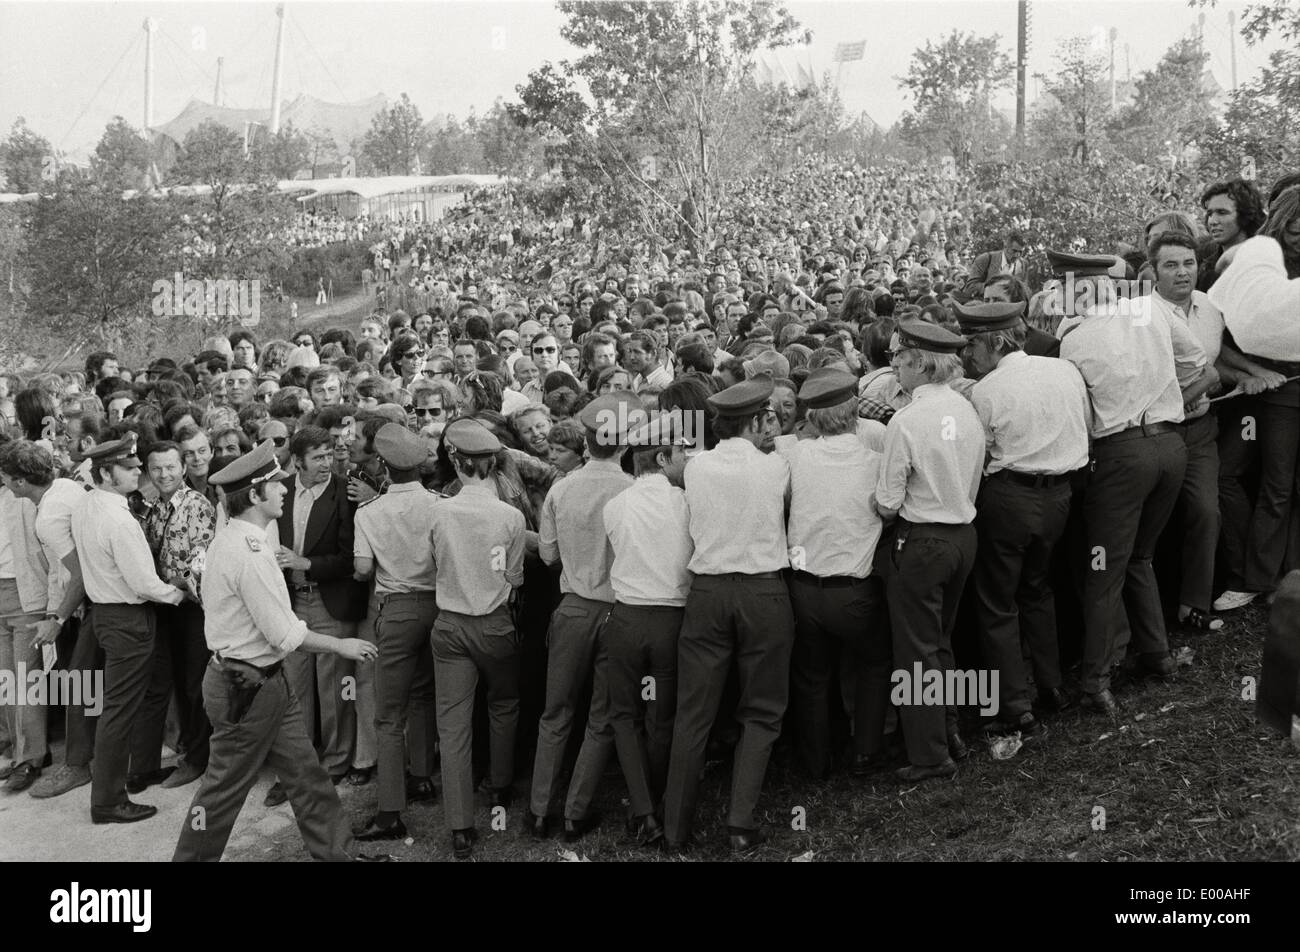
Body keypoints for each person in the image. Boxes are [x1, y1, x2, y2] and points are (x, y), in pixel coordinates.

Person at [171, 440, 382, 862]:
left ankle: (337, 854)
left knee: (307, 777)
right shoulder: (249, 553)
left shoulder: (239, 539)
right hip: (246, 684)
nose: (285, 490)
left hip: (261, 681)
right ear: (253, 496)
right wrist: (342, 644)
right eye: (275, 485)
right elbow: (284, 635)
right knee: (222, 791)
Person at [1056, 250, 1210, 715]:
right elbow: (1201, 364)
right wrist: (1176, 403)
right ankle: (1157, 654)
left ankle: (1095, 681)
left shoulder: (1074, 339)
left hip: (1122, 455)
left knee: (1103, 572)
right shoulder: (1151, 312)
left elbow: (1080, 417)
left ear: (1073, 290)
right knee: (1140, 556)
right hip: (1170, 448)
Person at [662, 374, 795, 853]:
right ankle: (740, 822)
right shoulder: (776, 467)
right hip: (763, 592)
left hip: (709, 592)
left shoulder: (695, 468)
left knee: (693, 712)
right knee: (761, 710)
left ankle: (675, 827)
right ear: (757, 421)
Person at [955, 302, 1090, 732]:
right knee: (1036, 588)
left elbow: (978, 455)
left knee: (997, 601)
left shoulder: (986, 391)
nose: (967, 356)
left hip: (1009, 497)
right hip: (1061, 495)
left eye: (972, 344)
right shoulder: (1063, 369)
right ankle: (1050, 686)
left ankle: (1015, 705)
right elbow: (1084, 424)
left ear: (995, 341)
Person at [527, 392, 639, 840]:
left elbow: (549, 555)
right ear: (626, 442)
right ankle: (575, 811)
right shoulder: (631, 490)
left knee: (555, 712)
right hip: (617, 609)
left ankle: (539, 810)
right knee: (603, 713)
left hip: (572, 607)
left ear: (588, 441)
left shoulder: (561, 488)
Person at [875, 322, 984, 781]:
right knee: (940, 641)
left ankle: (929, 754)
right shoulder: (965, 408)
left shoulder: (906, 420)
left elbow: (886, 503)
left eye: (900, 361)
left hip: (923, 540)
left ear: (920, 362)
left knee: (917, 651)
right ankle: (949, 730)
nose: (895, 368)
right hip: (963, 534)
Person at [778, 368, 891, 779]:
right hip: (856, 588)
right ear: (853, 412)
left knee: (811, 676)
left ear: (813, 417)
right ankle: (867, 751)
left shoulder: (793, 456)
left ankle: (816, 760)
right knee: (874, 665)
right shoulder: (876, 461)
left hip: (804, 587)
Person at [71, 435, 187, 823]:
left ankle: (143, 768)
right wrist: (181, 593)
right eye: (129, 466)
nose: (140, 470)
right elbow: (144, 583)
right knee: (119, 712)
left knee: (150, 692)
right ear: (106, 473)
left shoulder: (89, 503)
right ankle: (107, 801)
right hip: (127, 618)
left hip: (108, 615)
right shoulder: (117, 517)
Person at [428, 420, 526, 860]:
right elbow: (516, 577)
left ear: (457, 462)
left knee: (453, 726)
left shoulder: (438, 510)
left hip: (449, 623)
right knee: (503, 705)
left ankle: (460, 825)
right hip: (494, 623)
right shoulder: (510, 516)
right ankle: (500, 788)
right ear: (491, 464)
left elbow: (431, 561)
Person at [602, 411, 694, 845]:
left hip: (626, 620)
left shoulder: (616, 504)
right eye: (678, 453)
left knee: (624, 715)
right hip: (670, 620)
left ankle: (643, 808)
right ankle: (656, 801)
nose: (684, 461)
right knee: (661, 714)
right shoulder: (685, 501)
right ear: (661, 456)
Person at [265, 426, 368, 805]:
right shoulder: (280, 491)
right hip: (289, 603)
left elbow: (349, 557)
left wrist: (304, 562)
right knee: (294, 692)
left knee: (337, 689)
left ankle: (336, 763)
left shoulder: (346, 493)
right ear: (297, 462)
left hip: (330, 603)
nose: (328, 463)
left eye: (330, 455)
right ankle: (297, 769)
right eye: (319, 458)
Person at [352, 424, 442, 842]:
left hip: (397, 608)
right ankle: (421, 776)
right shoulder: (441, 504)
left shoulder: (369, 512)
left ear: (384, 467)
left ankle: (389, 813)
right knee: (423, 693)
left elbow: (363, 570)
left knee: (389, 713)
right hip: (438, 605)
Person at [1145, 234, 1226, 632]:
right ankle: (1148, 613)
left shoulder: (1210, 307)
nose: (1182, 272)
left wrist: (1253, 376)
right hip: (1156, 434)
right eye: (1171, 265)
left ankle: (1193, 604)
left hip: (1200, 432)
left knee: (1205, 512)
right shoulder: (1141, 315)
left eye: (1189, 263)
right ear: (1154, 271)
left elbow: (1219, 360)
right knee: (1152, 523)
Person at [133, 441, 217, 792]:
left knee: (195, 683)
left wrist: (174, 580)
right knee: (178, 683)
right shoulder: (154, 508)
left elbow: (204, 563)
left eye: (170, 467)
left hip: (193, 609)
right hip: (167, 608)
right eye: (157, 469)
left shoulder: (196, 504)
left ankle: (199, 759)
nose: (164, 474)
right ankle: (189, 750)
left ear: (183, 468)